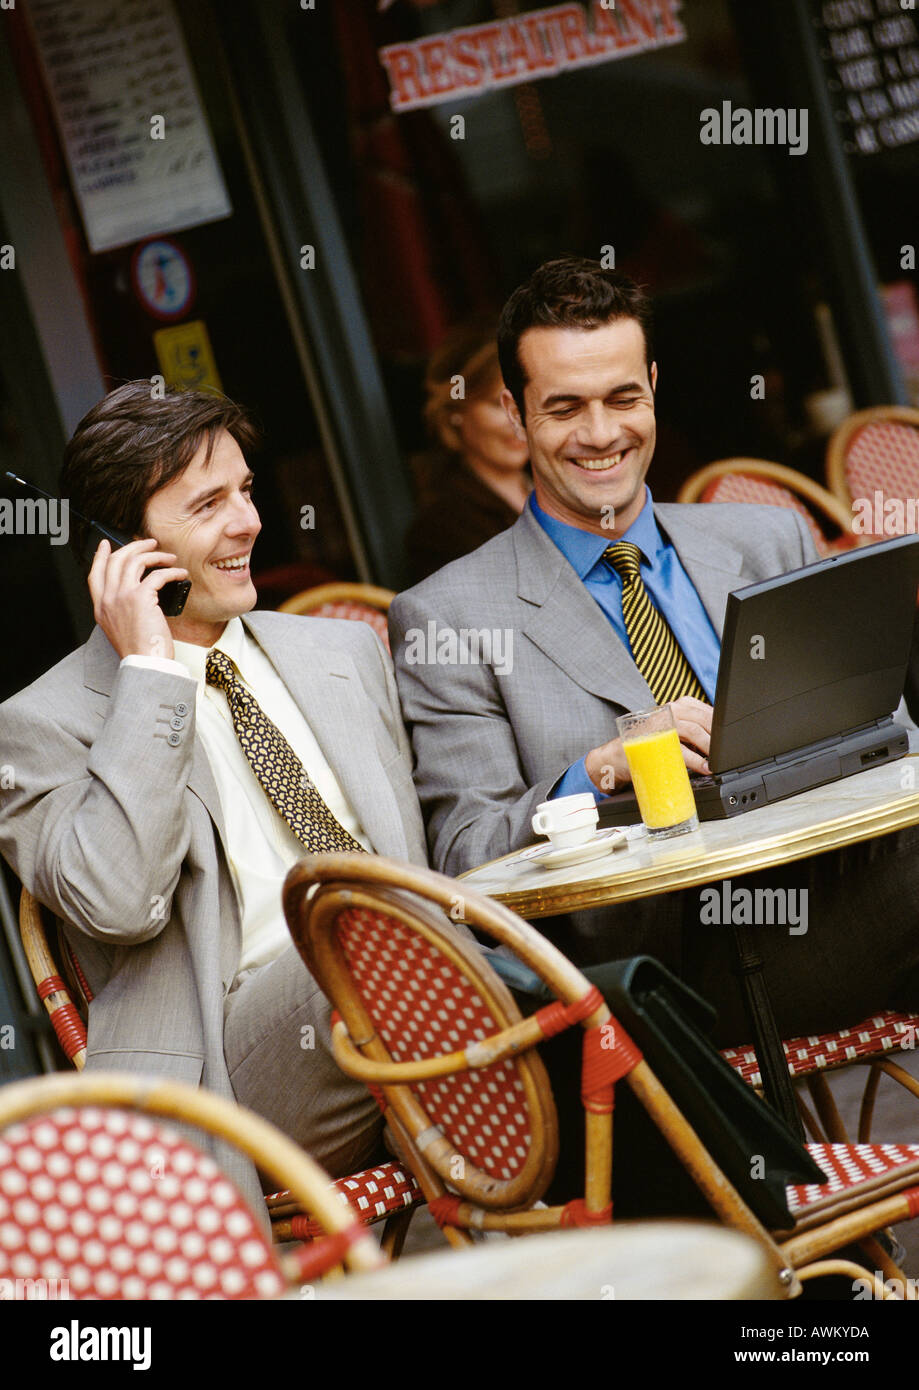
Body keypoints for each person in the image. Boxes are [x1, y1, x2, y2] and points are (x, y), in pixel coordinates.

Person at [389, 257, 919, 1049]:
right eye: (564, 407)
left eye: (622, 398)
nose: (601, 434)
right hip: (674, 963)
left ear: (654, 387)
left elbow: (892, 740)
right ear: (511, 411)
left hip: (845, 880)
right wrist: (599, 769)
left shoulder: (762, 536)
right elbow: (466, 857)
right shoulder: (448, 615)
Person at [0, 381, 429, 1214]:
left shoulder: (342, 650)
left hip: (413, 1018)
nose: (248, 523)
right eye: (209, 504)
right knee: (365, 929)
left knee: (553, 965)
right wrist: (153, 675)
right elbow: (121, 903)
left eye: (247, 490)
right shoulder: (35, 727)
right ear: (121, 550)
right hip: (229, 1077)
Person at [405, 315, 531, 583]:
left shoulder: (562, 487)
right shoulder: (442, 528)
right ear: (457, 411)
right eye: (499, 405)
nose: (518, 420)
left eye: (525, 400)